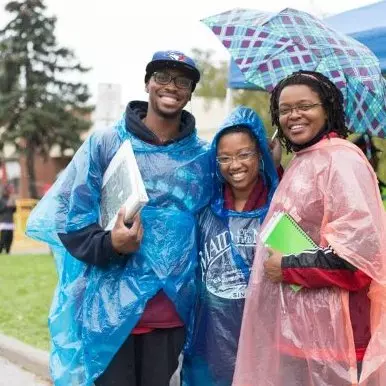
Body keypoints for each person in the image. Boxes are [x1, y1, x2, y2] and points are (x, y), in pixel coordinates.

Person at [26, 50, 212, 386]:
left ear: (190, 92)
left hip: (171, 317)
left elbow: (228, 213)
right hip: (107, 315)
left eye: (182, 81)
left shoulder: (203, 158)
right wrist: (110, 242)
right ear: (147, 83)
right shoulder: (106, 144)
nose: (171, 86)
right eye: (162, 77)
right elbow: (70, 219)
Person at [233, 71, 386, 386]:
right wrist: (273, 165)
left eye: (305, 105)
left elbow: (359, 259)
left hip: (339, 340)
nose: (294, 115)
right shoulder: (305, 159)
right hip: (300, 334)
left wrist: (288, 266)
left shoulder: (342, 161)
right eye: (285, 109)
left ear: (327, 109)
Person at [182, 106, 280, 385]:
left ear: (260, 153)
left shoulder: (279, 206)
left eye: (244, 154)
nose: (234, 165)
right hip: (211, 340)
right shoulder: (205, 212)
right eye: (224, 158)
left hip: (265, 339)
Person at [0, 184, 16, 254]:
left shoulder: (11, 199)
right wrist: (6, 206)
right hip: (4, 221)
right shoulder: (2, 200)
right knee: (4, 237)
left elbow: (14, 210)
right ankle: (1, 250)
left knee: (10, 238)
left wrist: (13, 206)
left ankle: (8, 250)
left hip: (10, 221)